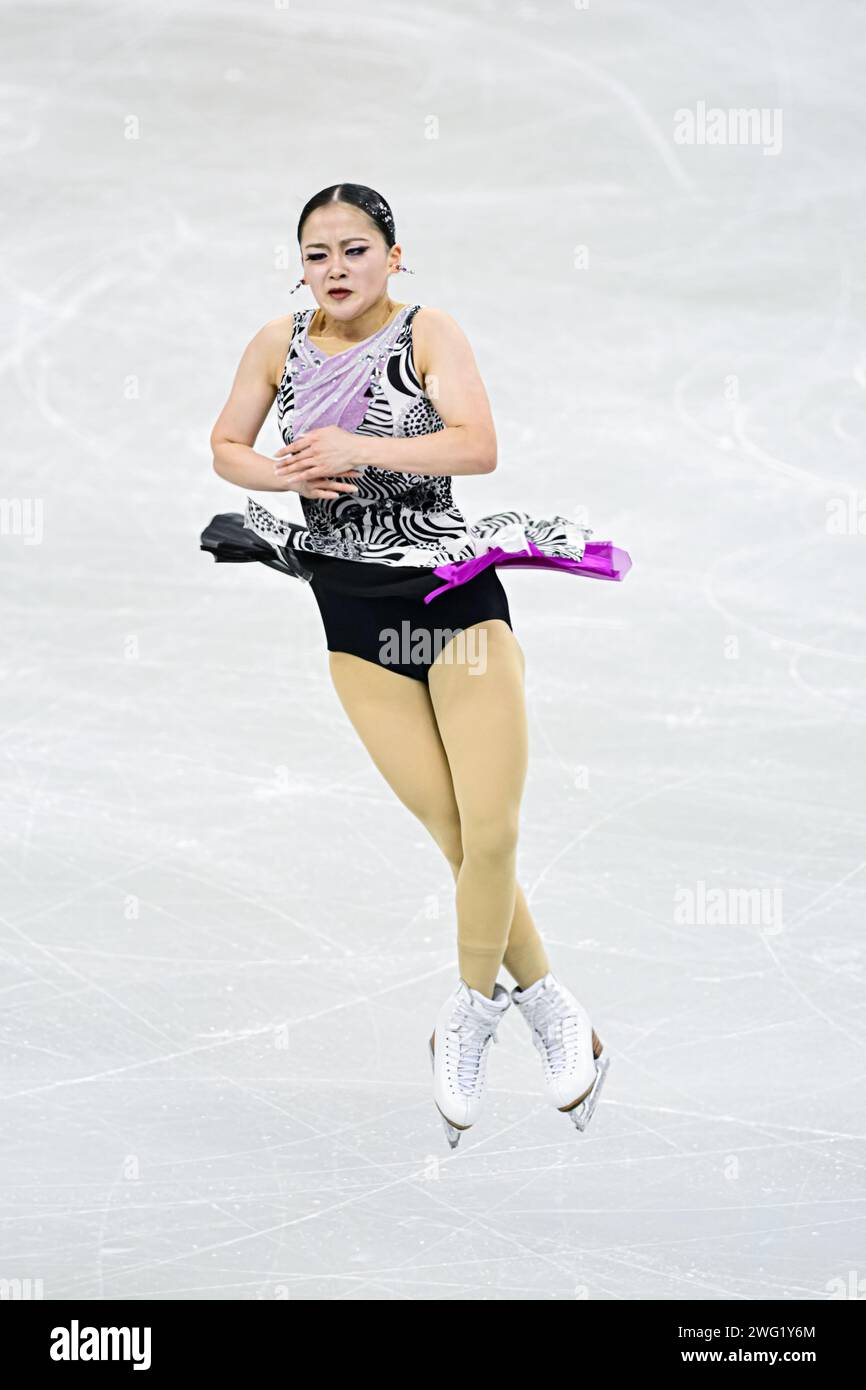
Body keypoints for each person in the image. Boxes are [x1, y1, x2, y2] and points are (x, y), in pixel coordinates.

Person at [201, 183, 629, 1147]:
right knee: (452, 830)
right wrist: (278, 473)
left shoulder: (428, 334)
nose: (336, 269)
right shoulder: (278, 346)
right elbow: (226, 446)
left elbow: (479, 447)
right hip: (351, 614)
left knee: (495, 824)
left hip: (452, 598)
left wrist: (357, 444)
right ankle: (556, 1007)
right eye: (317, 255)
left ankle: (470, 1008)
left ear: (396, 257)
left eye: (356, 250)